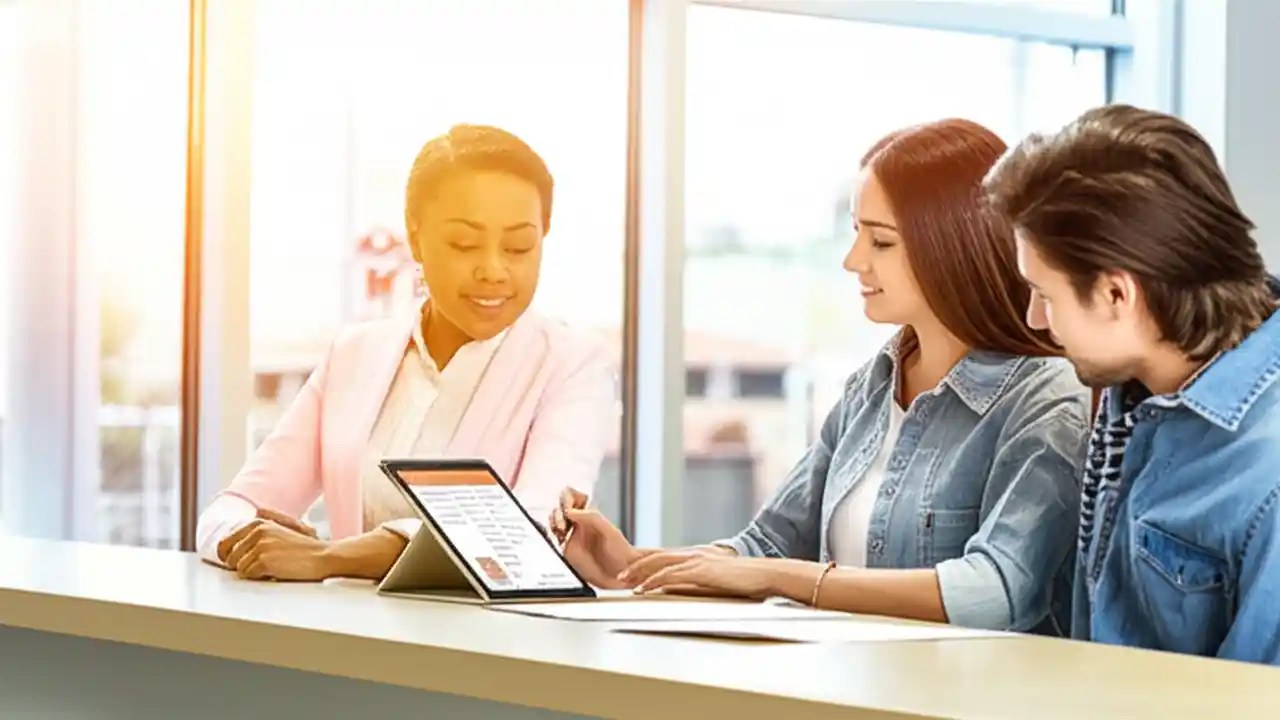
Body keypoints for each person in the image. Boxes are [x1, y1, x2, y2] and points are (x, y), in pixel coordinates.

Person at [554, 119, 1091, 633]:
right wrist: (632, 565)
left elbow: (995, 592)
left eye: (880, 241)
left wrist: (784, 579)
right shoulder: (870, 387)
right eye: (857, 233)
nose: (853, 260)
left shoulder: (1045, 397)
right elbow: (765, 546)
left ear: (952, 245)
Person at [196, 124, 614, 582]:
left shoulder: (572, 365)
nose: (494, 270)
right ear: (415, 239)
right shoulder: (355, 355)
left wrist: (331, 558)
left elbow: (526, 535)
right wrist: (248, 540)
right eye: (464, 243)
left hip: (488, 649)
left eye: (519, 247)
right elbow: (236, 507)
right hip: (347, 644)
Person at [983, 104, 1280, 664]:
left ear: (1118, 295)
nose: (1034, 319)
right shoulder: (1138, 392)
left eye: (1045, 294)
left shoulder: (1267, 468)